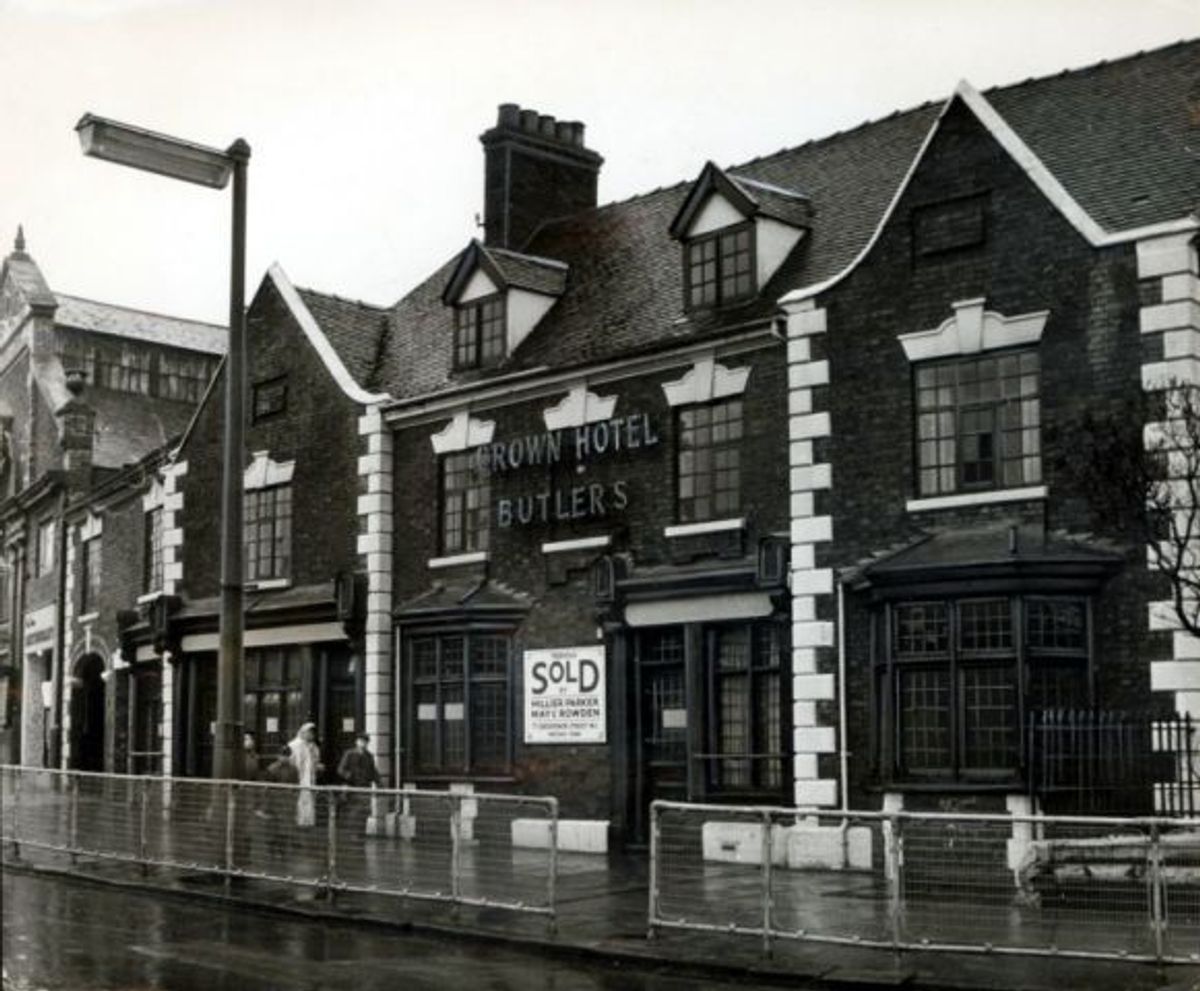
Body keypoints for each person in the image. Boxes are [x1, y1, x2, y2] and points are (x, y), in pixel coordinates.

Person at [260, 745, 299, 861]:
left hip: (287, 802)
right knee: (272, 828)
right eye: (282, 755)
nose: (284, 758)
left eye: (287, 755)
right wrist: (266, 806)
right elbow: (267, 788)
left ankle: (282, 852)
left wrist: (294, 799)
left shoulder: (294, 769)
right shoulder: (272, 769)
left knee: (284, 829)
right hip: (274, 802)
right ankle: (271, 852)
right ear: (278, 756)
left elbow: (296, 786)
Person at [336, 733, 381, 834]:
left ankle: (361, 832)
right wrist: (349, 776)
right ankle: (351, 833)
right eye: (361, 741)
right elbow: (341, 769)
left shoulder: (369, 756)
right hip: (352, 787)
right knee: (352, 812)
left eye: (365, 741)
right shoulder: (349, 754)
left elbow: (373, 771)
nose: (363, 744)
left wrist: (379, 782)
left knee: (364, 811)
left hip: (365, 787)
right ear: (356, 742)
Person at [287, 722, 323, 828]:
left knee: (309, 800)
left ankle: (308, 823)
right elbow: (290, 761)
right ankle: (297, 822)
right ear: (303, 732)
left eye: (313, 732)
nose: (311, 734)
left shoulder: (314, 747)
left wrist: (317, 766)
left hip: (310, 778)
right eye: (309, 732)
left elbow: (315, 761)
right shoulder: (293, 745)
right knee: (298, 800)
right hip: (297, 777)